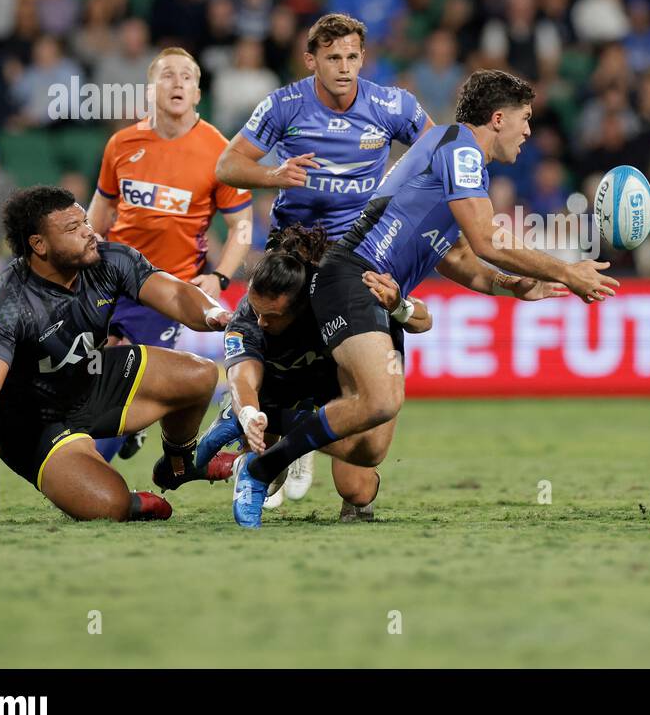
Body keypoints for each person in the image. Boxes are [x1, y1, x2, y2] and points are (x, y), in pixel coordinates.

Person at [230, 69, 618, 527]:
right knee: (383, 398)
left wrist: (505, 284)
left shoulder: (458, 162)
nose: (529, 131)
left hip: (383, 295)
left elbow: (456, 255)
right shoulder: (458, 147)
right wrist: (567, 270)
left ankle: (269, 417)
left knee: (369, 449)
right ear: (497, 118)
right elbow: (488, 238)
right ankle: (260, 467)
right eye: (525, 118)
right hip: (352, 275)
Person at [216, 12, 434, 507]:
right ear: (311, 59)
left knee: (363, 474)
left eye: (352, 57)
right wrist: (276, 175)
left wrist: (404, 191)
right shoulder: (284, 105)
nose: (344, 67)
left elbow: (438, 153)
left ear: (363, 58)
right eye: (332, 57)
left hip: (360, 257)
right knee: (274, 350)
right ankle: (260, 425)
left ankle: (303, 434)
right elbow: (227, 165)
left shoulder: (392, 105)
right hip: (294, 254)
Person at [0, 186, 234, 521]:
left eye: (85, 221)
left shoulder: (109, 259)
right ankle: (121, 497)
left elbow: (174, 293)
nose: (89, 232)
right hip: (32, 424)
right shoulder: (8, 305)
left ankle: (179, 464)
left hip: (90, 379)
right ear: (39, 245)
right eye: (72, 229)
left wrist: (212, 314)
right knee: (110, 507)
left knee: (200, 375)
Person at [87, 47, 252, 461]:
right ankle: (121, 435)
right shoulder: (122, 144)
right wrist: (84, 258)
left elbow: (240, 227)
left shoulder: (221, 152)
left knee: (124, 373)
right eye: (167, 75)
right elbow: (103, 208)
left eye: (186, 77)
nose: (177, 82)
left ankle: (94, 463)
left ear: (198, 93)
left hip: (166, 287)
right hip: (109, 274)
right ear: (149, 89)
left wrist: (220, 277)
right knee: (91, 367)